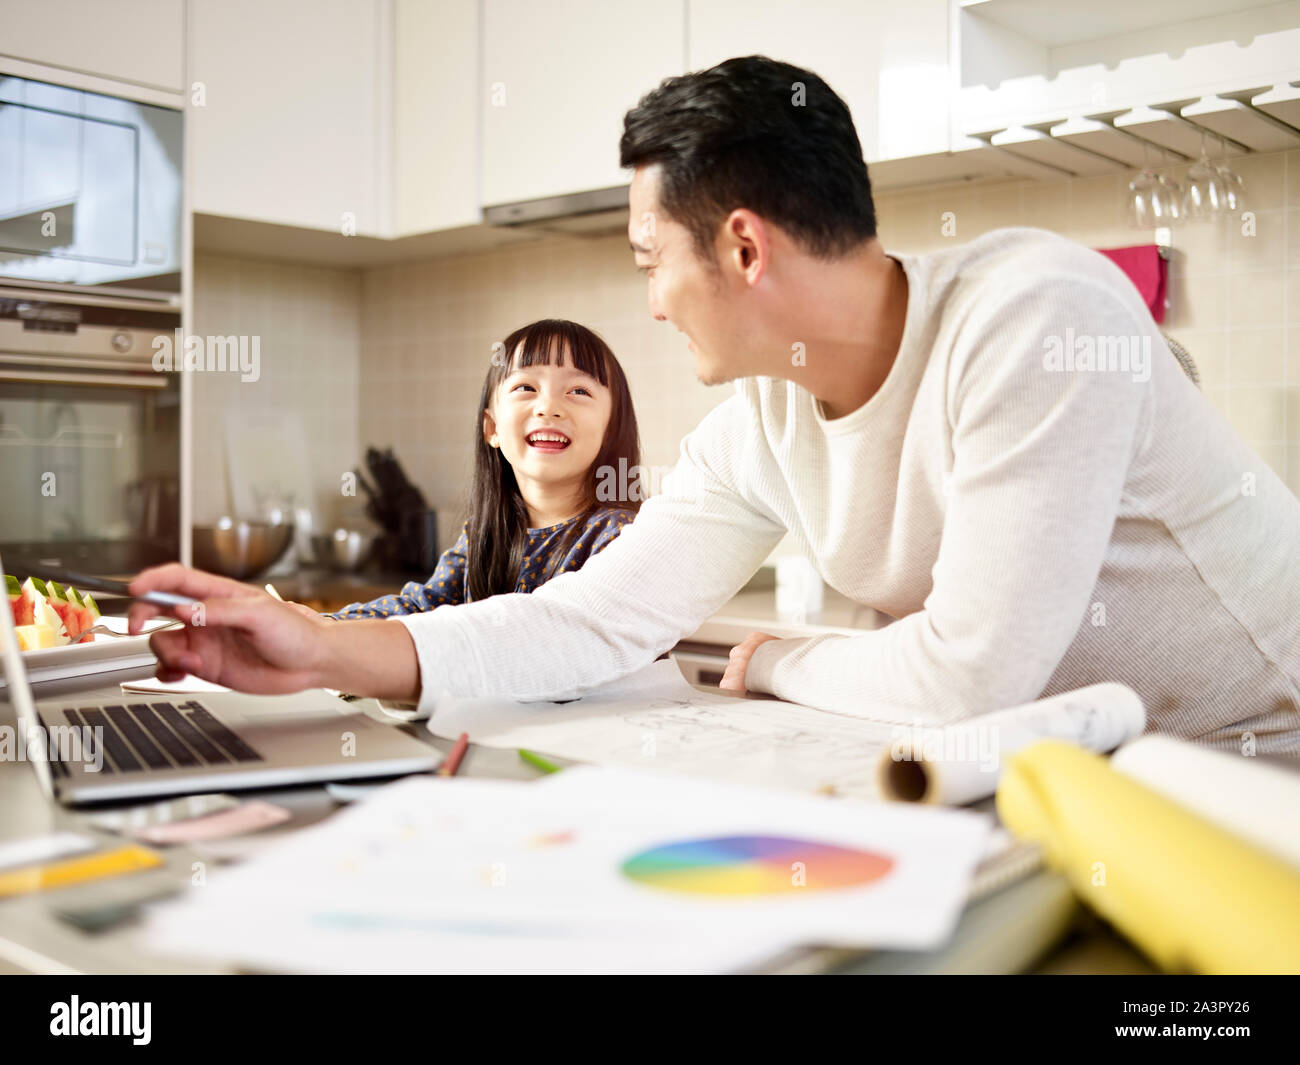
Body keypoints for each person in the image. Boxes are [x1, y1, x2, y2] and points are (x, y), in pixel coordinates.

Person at [131, 56, 1300, 756]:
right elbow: (592, 616)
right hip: (1092, 764)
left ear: (742, 247)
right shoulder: (762, 423)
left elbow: (968, 675)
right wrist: (322, 646)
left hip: (1259, 770)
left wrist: (782, 659)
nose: (649, 302)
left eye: (650, 259)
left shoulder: (1036, 316)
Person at [328, 319, 639, 618]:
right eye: (526, 387)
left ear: (611, 429)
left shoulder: (620, 536)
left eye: (578, 391)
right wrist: (327, 624)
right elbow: (424, 606)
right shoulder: (484, 534)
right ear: (492, 428)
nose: (548, 407)